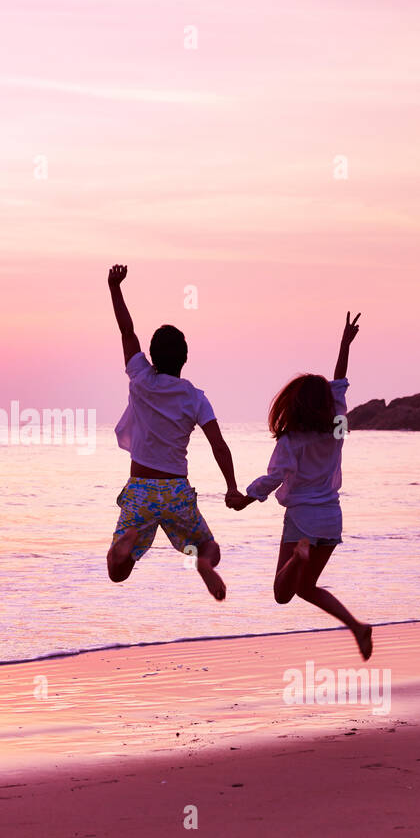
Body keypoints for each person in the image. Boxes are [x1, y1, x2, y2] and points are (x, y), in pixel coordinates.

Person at [227, 312, 373, 659]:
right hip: (331, 518)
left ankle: (297, 556)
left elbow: (274, 477)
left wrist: (246, 498)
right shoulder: (337, 430)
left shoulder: (291, 441)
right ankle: (356, 626)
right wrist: (344, 345)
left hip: (303, 520)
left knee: (283, 592)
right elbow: (339, 386)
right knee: (306, 588)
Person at [105, 263, 240, 601]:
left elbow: (126, 331)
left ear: (150, 357)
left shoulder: (140, 378)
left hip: (141, 489)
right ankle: (203, 566)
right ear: (185, 359)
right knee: (210, 547)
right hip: (176, 490)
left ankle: (127, 541)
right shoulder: (195, 398)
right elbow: (218, 446)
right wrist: (232, 488)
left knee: (117, 572)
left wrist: (115, 287)